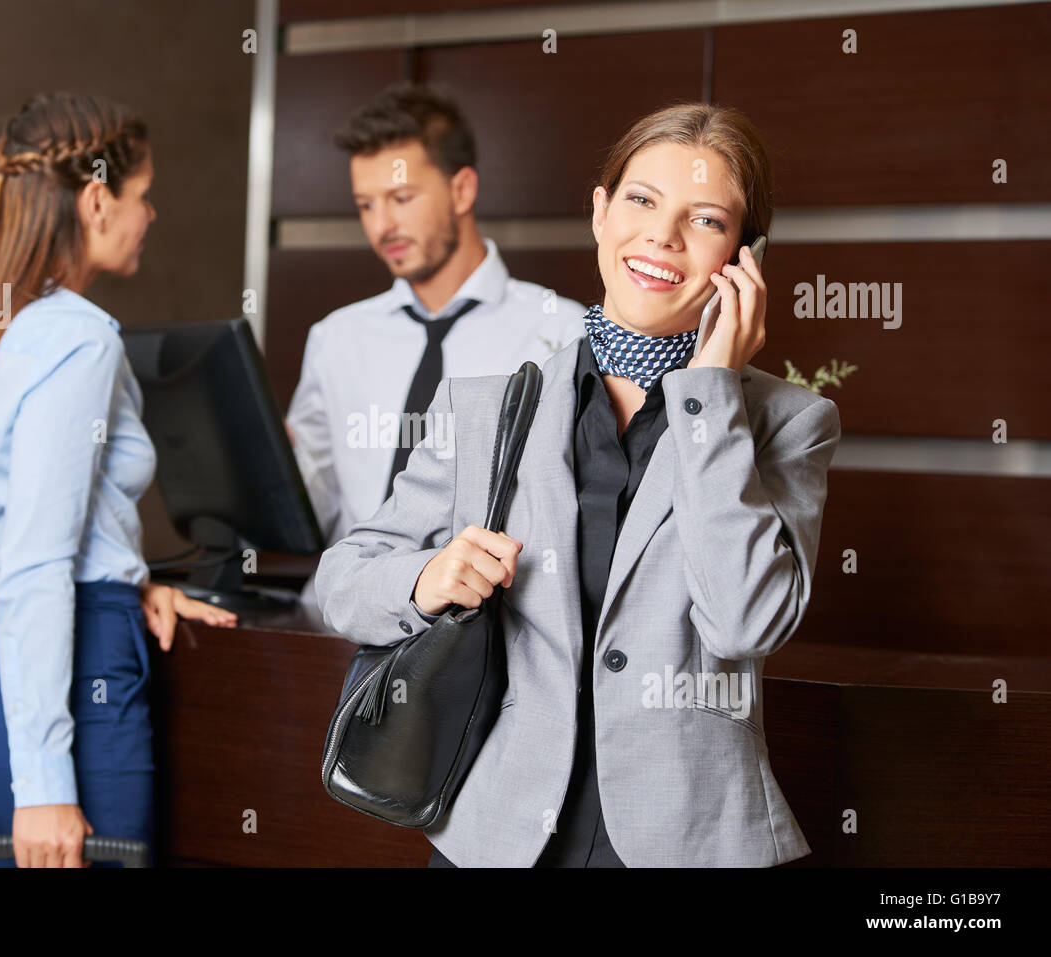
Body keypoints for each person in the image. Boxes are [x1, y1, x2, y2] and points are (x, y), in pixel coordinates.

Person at [315, 102, 841, 867]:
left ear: (744, 257)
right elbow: (344, 580)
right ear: (599, 212)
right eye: (641, 200)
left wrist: (711, 395)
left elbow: (744, 623)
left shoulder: (788, 424)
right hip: (497, 837)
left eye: (705, 220)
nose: (661, 236)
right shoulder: (485, 406)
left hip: (685, 841)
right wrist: (428, 577)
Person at [0, 92, 236, 869]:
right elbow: (37, 560)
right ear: (96, 199)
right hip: (62, 708)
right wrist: (47, 784)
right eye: (141, 194)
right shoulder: (79, 338)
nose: (150, 214)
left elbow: (36, 532)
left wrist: (127, 580)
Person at [285, 82, 586, 609]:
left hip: (485, 632)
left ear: (462, 190)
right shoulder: (335, 337)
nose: (383, 226)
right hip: (343, 617)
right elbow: (313, 507)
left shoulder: (563, 331)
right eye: (365, 205)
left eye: (402, 199)